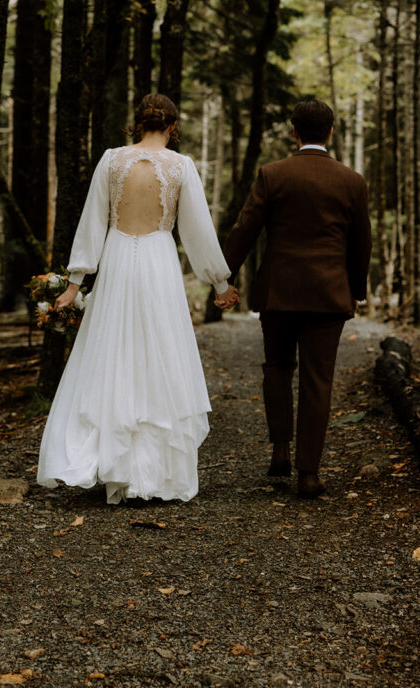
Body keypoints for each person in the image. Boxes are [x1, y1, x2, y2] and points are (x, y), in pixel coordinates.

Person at [37, 94, 238, 504]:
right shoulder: (181, 166)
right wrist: (220, 284)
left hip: (117, 263)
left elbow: (92, 221)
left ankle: (105, 460)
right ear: (172, 126)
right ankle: (155, 471)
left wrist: (75, 282)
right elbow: (198, 231)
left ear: (137, 123)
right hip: (158, 263)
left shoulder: (112, 160)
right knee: (158, 354)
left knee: (109, 354)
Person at [222, 99, 371, 499]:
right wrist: (354, 291)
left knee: (277, 368)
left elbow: (245, 228)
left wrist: (223, 275)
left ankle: (280, 450)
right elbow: (361, 245)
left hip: (279, 292)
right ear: (331, 132)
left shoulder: (273, 174)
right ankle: (309, 473)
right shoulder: (352, 181)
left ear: (294, 131)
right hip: (328, 294)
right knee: (317, 381)